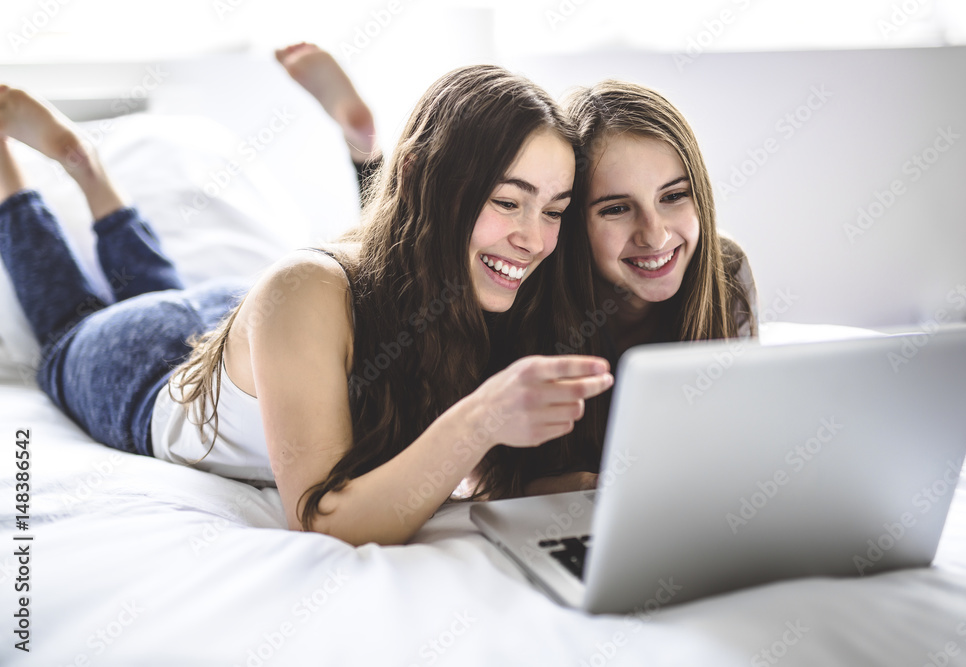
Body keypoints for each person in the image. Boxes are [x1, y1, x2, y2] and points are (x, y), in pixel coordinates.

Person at [0, 61, 614, 547]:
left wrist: (580, 489)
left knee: (160, 281)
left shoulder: (482, 292)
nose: (533, 239)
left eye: (554, 210)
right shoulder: (305, 287)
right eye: (508, 202)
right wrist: (481, 419)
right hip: (145, 369)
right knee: (68, 324)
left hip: (249, 332)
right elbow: (322, 520)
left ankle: (94, 179)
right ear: (421, 177)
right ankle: (44, 172)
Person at [505, 80, 761, 495]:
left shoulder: (725, 271)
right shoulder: (526, 291)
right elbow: (492, 477)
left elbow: (739, 445)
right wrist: (574, 488)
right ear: (572, 223)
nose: (655, 236)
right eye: (617, 209)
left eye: (674, 195)